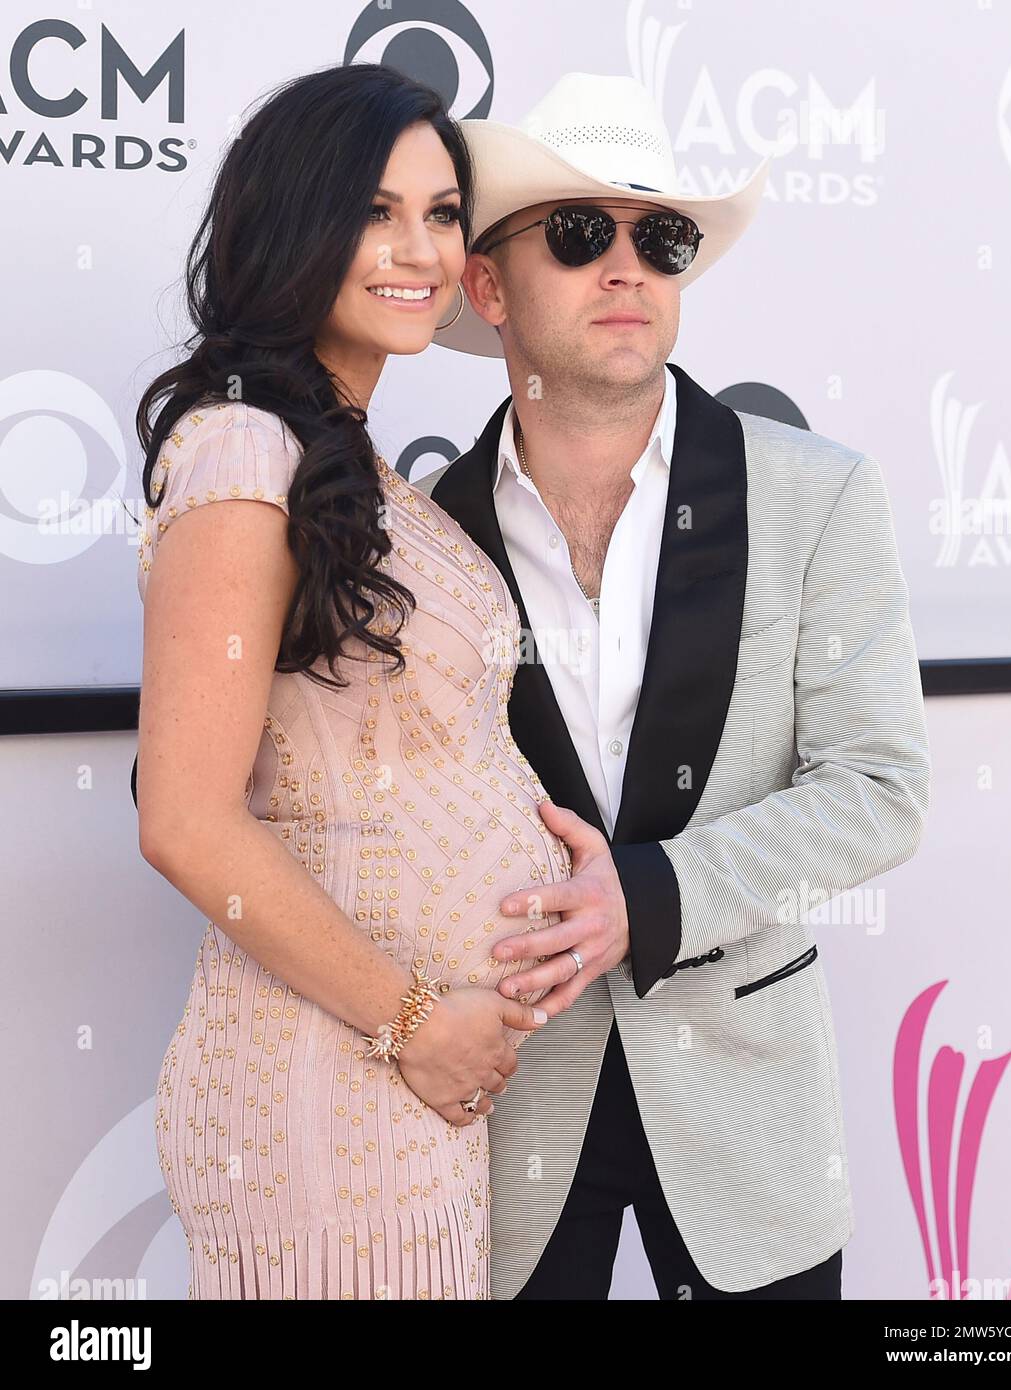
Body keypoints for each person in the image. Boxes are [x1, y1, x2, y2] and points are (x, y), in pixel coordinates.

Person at [414, 71, 932, 1300]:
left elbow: (881, 789)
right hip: (507, 1110)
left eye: (665, 238)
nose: (628, 266)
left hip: (747, 1097)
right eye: (582, 232)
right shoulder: (420, 536)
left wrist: (648, 897)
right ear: (487, 285)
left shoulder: (820, 495)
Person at [133, 63, 571, 1301]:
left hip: (403, 1082)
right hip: (336, 1074)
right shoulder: (241, 447)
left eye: (442, 214)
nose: (418, 249)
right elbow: (183, 816)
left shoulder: (346, 455)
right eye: (376, 210)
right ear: (297, 220)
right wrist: (418, 1021)